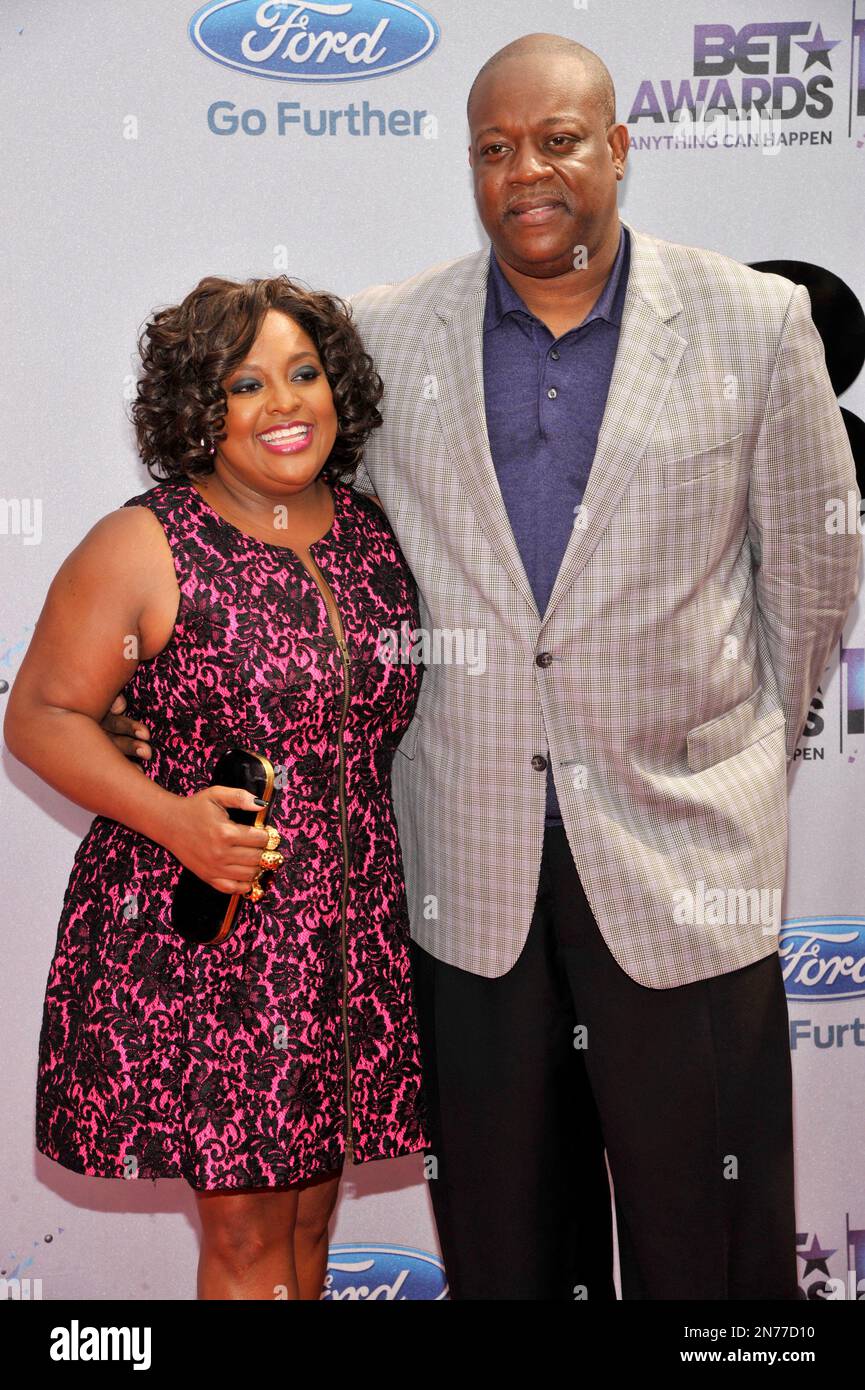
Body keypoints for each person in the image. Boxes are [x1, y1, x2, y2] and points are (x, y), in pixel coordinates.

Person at [104, 33, 861, 1300]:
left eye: (559, 140)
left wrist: (731, 763)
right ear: (470, 166)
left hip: (685, 865)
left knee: (716, 1259)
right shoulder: (386, 340)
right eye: (496, 148)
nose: (528, 171)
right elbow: (282, 527)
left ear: (617, 148)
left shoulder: (757, 321)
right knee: (510, 1253)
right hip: (464, 866)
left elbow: (812, 582)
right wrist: (145, 671)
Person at [5, 274, 429, 1301]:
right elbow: (39, 716)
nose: (285, 404)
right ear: (199, 409)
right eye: (246, 384)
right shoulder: (146, 543)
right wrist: (175, 820)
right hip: (214, 939)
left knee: (313, 1221)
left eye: (304, 373)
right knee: (243, 1243)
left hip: (346, 936)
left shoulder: (375, 535)